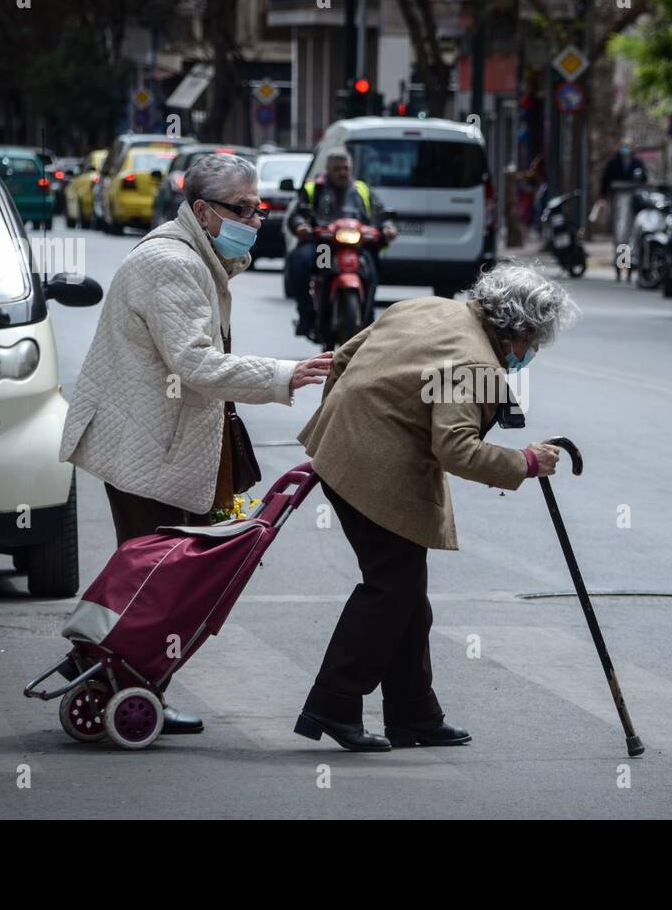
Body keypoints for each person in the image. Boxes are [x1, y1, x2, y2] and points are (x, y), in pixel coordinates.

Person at [58, 153, 334, 735]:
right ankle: (125, 686)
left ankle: (125, 682)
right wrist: (285, 374)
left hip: (157, 441)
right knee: (154, 582)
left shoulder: (195, 255)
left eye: (258, 209)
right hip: (145, 446)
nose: (256, 220)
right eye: (242, 209)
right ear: (203, 211)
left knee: (155, 578)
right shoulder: (172, 262)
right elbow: (194, 362)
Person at [292, 263, 579, 751]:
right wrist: (525, 462)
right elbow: (458, 449)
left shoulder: (428, 307)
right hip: (373, 473)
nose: (531, 354)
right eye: (534, 343)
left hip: (342, 450)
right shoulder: (477, 365)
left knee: (405, 595)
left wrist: (343, 424)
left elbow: (343, 359)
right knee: (390, 591)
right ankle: (333, 704)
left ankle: (413, 713)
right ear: (521, 329)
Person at [285, 147, 396, 340]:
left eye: (346, 168)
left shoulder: (362, 190)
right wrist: (302, 227)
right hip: (325, 247)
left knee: (372, 271)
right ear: (328, 170)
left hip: (358, 247)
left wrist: (387, 227)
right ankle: (307, 315)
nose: (342, 172)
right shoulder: (315, 188)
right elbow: (297, 215)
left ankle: (368, 323)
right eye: (337, 168)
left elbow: (382, 213)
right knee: (299, 262)